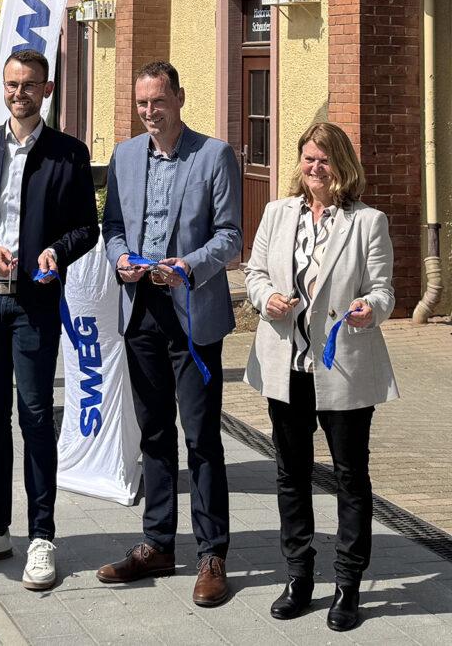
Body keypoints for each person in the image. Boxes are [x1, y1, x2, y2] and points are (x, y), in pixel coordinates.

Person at [0, 49, 98, 590]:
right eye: (11, 84)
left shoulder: (68, 155)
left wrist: (56, 250)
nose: (18, 93)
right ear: (0, 87)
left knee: (34, 417)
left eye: (29, 85)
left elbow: (86, 228)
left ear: (47, 90)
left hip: (34, 306)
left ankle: (42, 536)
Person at [98, 61, 242, 607]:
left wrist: (190, 266)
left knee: (201, 437)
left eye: (158, 101)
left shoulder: (213, 156)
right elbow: (112, 226)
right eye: (142, 104)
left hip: (192, 314)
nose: (150, 112)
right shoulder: (126, 156)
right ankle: (158, 543)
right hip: (141, 313)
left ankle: (212, 554)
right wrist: (120, 261)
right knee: (154, 434)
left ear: (180, 97)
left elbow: (231, 235)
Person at [244, 122, 396, 631]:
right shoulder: (276, 212)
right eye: (308, 159)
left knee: (351, 479)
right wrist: (267, 299)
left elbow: (384, 291)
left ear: (343, 165)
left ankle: (348, 585)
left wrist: (368, 309)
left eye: (324, 160)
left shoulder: (368, 221)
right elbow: (255, 272)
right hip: (287, 366)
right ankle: (298, 577)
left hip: (343, 369)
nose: (315, 169)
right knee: (291, 474)